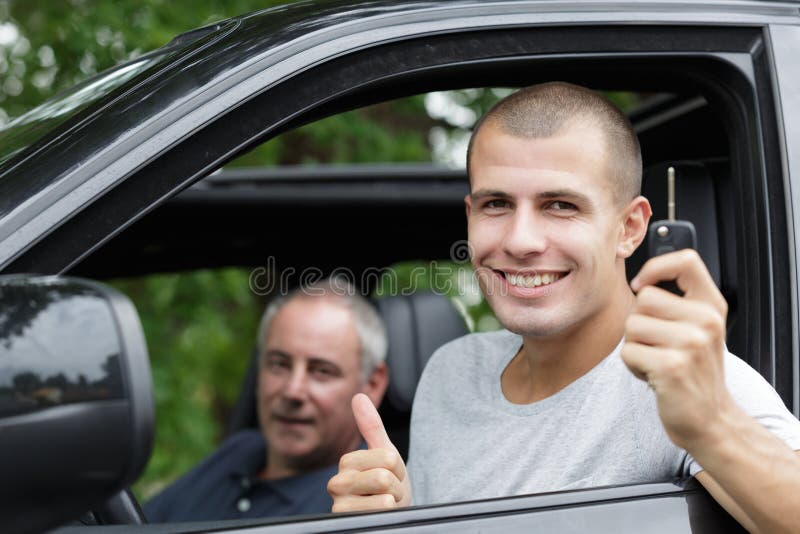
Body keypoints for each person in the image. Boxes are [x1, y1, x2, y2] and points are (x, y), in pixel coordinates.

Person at [327, 82, 800, 533]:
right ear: (469, 215)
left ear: (630, 228)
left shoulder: (689, 377)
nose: (521, 241)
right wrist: (397, 520)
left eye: (560, 205)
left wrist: (712, 424)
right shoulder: (452, 371)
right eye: (497, 204)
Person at [145, 276, 389, 522]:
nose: (293, 391)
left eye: (321, 371)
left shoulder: (360, 503)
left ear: (373, 384)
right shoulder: (239, 450)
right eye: (279, 364)